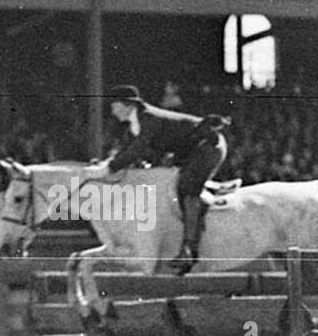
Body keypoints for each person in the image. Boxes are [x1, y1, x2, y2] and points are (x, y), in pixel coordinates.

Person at [83, 84, 229, 275]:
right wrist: (104, 165)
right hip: (190, 149)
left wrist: (107, 169)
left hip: (209, 146)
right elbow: (125, 151)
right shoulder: (135, 125)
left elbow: (136, 151)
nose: (112, 110)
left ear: (127, 105)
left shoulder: (148, 119)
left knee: (186, 188)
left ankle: (189, 250)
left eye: (114, 105)